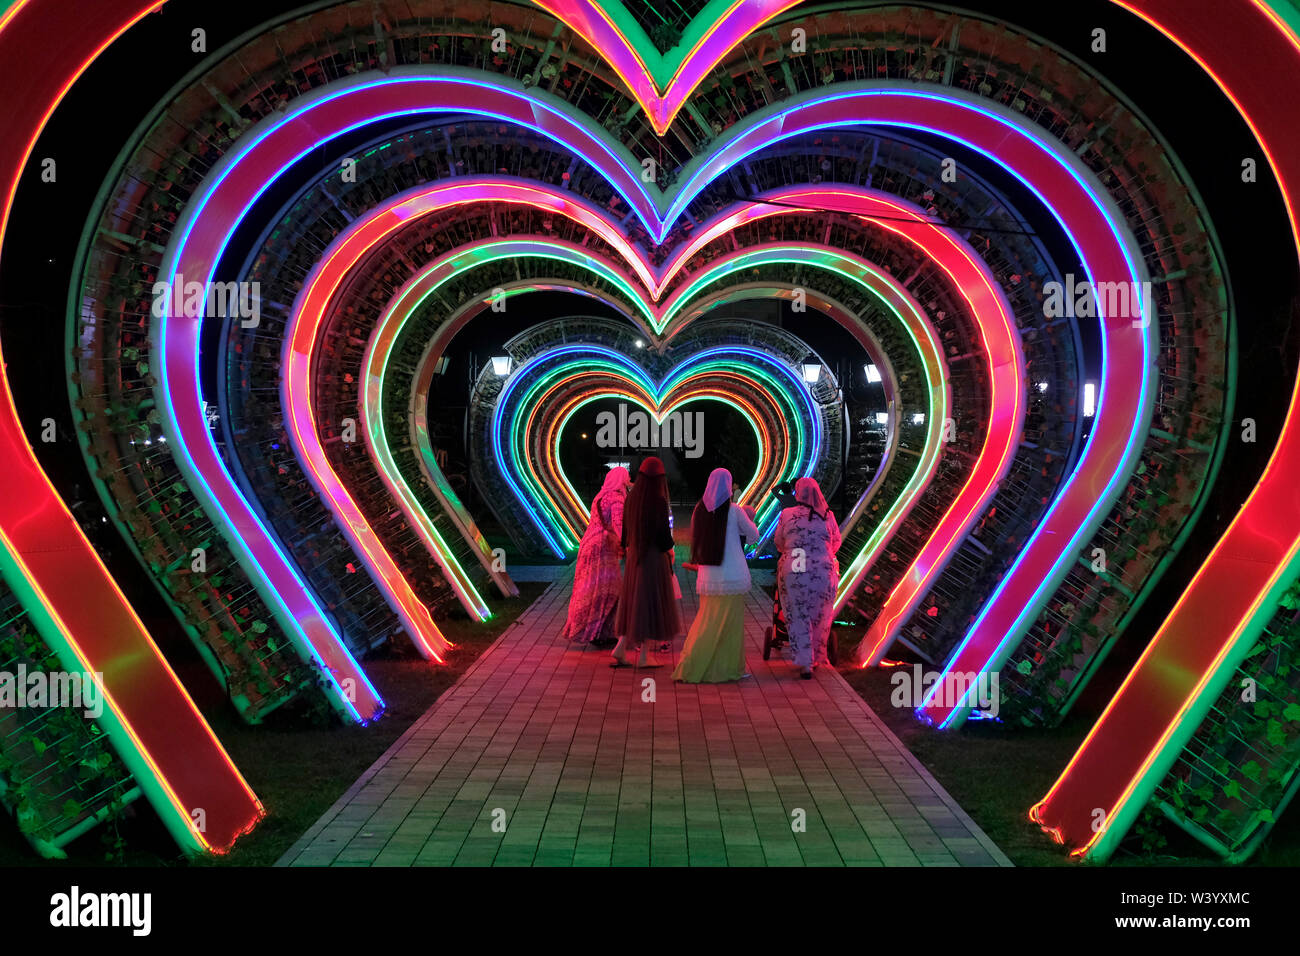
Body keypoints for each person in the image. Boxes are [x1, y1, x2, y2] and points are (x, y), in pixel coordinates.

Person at [673, 468, 759, 683]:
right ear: (728, 486)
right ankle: (728, 668)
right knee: (731, 626)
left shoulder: (699, 511)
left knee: (707, 620)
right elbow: (753, 536)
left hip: (709, 576)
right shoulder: (735, 511)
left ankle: (693, 664)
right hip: (734, 576)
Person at [611, 457, 681, 667]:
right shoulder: (657, 501)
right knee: (651, 604)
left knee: (634, 601)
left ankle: (621, 648)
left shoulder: (631, 499)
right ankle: (644, 657)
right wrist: (670, 550)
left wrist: (626, 548)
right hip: (653, 558)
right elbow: (662, 535)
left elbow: (625, 532)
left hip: (635, 558)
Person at [774, 477, 841, 679]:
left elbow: (779, 541)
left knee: (798, 613)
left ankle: (805, 662)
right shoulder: (827, 515)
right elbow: (836, 541)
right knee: (820, 615)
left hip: (795, 565)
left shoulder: (787, 514)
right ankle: (819, 656)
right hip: (822, 568)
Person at [561, 466, 630, 647]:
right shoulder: (616, 498)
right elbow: (618, 524)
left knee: (588, 589)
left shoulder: (600, 495)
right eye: (626, 479)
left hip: (589, 544)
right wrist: (629, 543)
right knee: (606, 591)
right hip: (603, 548)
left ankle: (594, 630)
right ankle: (598, 632)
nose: (627, 482)